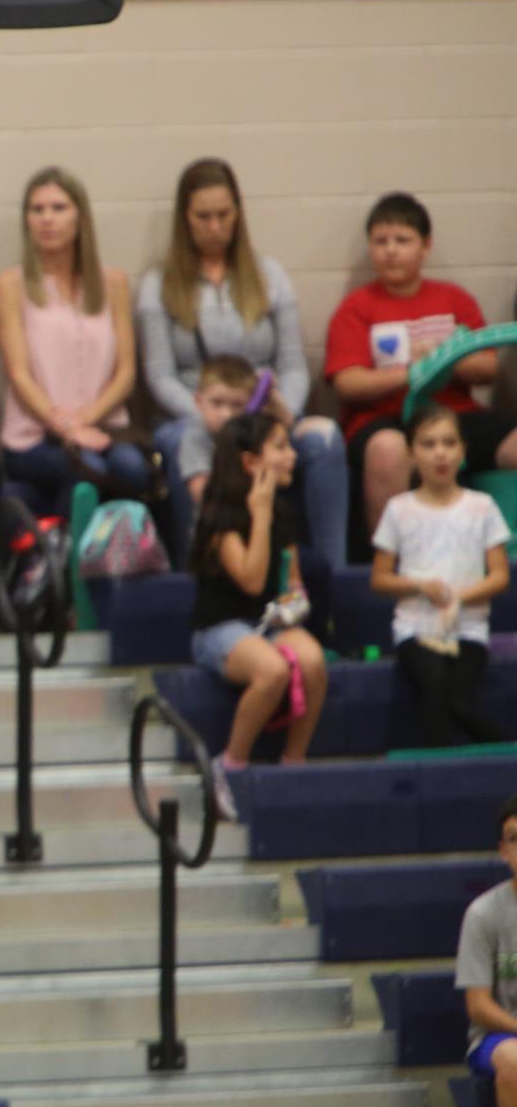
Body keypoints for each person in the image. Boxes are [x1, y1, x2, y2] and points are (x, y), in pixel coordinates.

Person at [138, 159, 349, 565]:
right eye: (203, 217)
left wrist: (278, 418)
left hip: (268, 414)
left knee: (325, 440)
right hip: (197, 416)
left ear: (238, 214)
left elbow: (290, 360)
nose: (215, 227)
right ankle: (196, 572)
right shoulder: (158, 284)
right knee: (181, 443)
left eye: (224, 215)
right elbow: (159, 376)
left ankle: (331, 575)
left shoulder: (269, 275)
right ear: (185, 219)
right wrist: (215, 417)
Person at [325, 192, 517, 539]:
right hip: (386, 420)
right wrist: (411, 374)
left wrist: (445, 358)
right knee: (387, 449)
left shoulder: (453, 298)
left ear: (425, 245)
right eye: (380, 241)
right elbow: (347, 382)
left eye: (402, 240)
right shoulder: (356, 307)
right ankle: (391, 565)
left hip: (457, 414)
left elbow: (488, 368)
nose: (391, 250)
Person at [188, 412, 327, 820]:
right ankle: (228, 767)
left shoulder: (283, 513)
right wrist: (260, 514)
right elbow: (249, 580)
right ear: (250, 462)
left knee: (313, 659)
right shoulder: (223, 518)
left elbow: (292, 581)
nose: (292, 456)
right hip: (219, 630)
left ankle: (292, 764)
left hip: (266, 624)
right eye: (280, 447)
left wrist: (294, 604)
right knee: (272, 671)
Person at [0, 167, 149, 518]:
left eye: (59, 208)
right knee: (87, 469)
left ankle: (124, 564)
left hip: (104, 426)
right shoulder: (11, 285)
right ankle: (69, 566)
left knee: (133, 469)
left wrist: (87, 420)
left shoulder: (113, 283)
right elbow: (18, 374)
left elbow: (126, 371)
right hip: (33, 436)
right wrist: (66, 427)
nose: (47, 219)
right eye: (37, 210)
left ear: (80, 216)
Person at [370, 405, 510, 747]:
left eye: (449, 443)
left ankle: (504, 754)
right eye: (428, 444)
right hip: (415, 630)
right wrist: (420, 585)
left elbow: (500, 576)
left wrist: (460, 597)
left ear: (463, 450)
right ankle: (441, 772)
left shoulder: (482, 507)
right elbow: (380, 579)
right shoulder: (399, 509)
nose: (440, 453)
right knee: (434, 687)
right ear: (411, 453)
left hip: (469, 630)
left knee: (459, 701)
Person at [458, 793, 517, 1107]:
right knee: (516, 1061)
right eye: (515, 838)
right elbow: (478, 1006)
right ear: (502, 850)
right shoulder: (483, 913)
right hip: (499, 1035)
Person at [173, 356, 262, 513]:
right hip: (216, 524)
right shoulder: (196, 437)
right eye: (217, 403)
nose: (226, 414)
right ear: (198, 401)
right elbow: (201, 493)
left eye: (237, 405)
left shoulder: (253, 432)